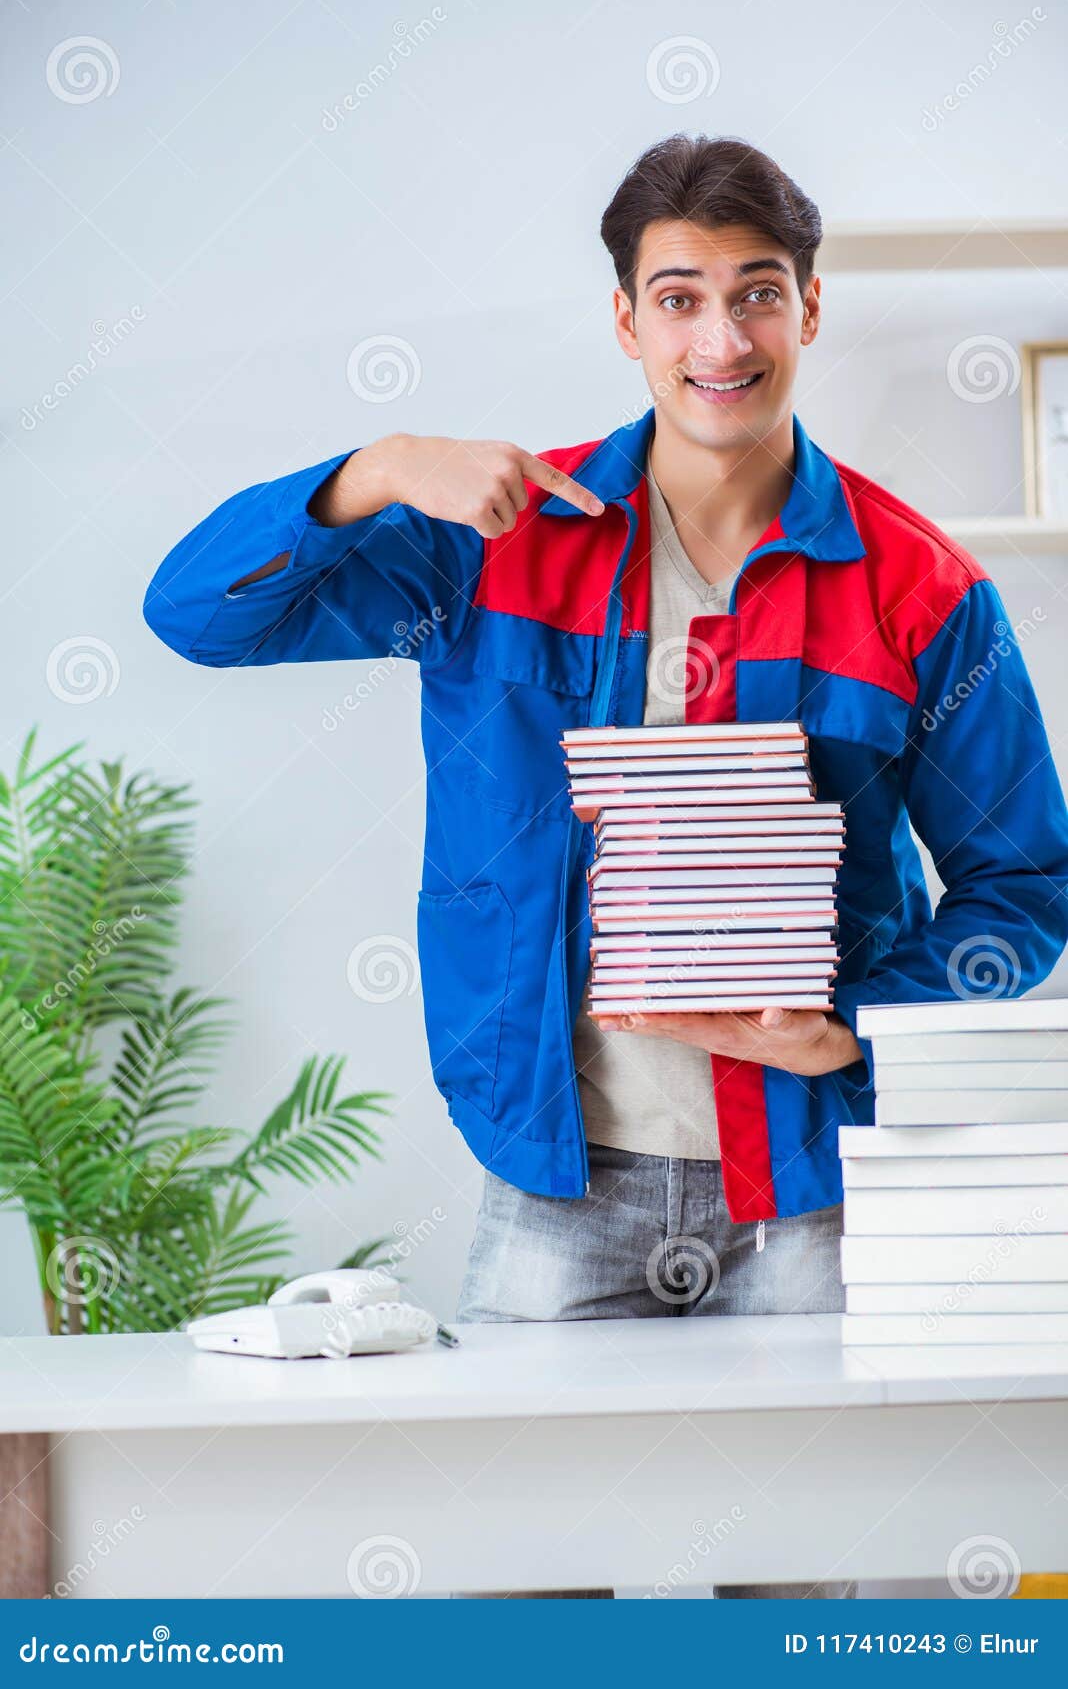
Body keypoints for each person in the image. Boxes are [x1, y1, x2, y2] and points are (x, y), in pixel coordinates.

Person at [142, 134, 1068, 1599]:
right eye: (681, 296)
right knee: (515, 1604)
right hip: (559, 1181)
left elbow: (1025, 885)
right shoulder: (491, 540)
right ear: (626, 320)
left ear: (810, 313)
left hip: (815, 1194)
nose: (722, 337)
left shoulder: (918, 584)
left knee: (846, 1606)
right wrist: (376, 472)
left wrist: (860, 1024)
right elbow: (194, 612)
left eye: (758, 295)